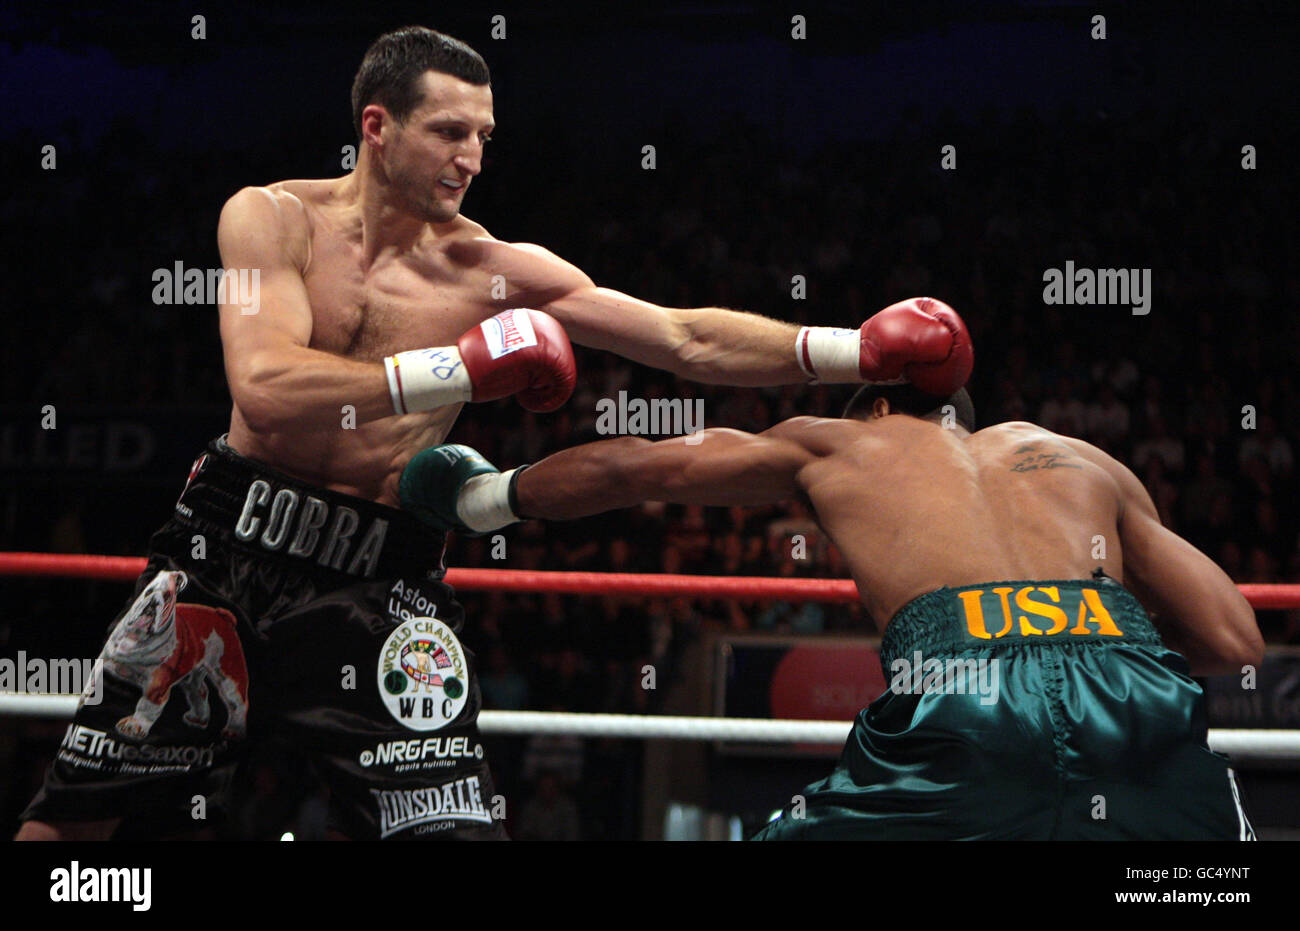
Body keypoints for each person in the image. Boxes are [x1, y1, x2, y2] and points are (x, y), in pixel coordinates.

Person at [17, 25, 966, 841]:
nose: (471, 155)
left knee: (452, 827)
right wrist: (463, 367)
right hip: (227, 546)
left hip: (380, 575)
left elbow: (682, 336)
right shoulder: (272, 218)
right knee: (81, 815)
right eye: (448, 131)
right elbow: (264, 385)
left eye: (483, 135)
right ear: (376, 128)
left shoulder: (495, 268)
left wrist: (855, 349)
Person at [416, 363, 1264, 840]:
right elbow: (1235, 638)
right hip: (1130, 681)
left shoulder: (842, 441)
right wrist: (1085, 641)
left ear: (881, 407)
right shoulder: (1078, 456)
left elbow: (636, 466)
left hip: (964, 691)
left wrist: (488, 497)